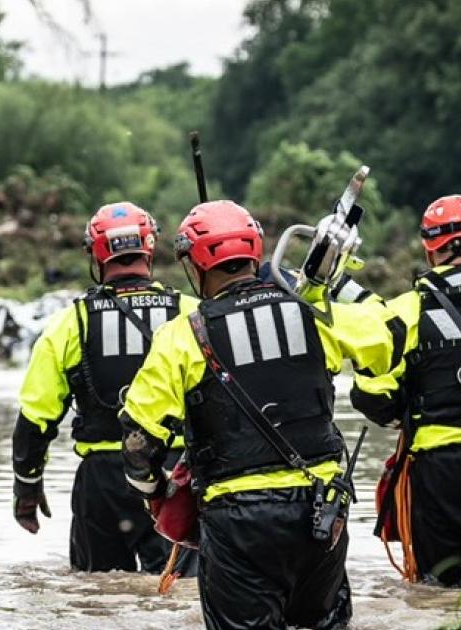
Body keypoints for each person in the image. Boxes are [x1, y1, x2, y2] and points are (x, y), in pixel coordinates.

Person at [120, 200, 404, 629]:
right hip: (321, 514)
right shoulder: (313, 313)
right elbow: (392, 338)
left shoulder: (183, 334)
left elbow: (138, 443)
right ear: (256, 253)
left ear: (194, 265)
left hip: (236, 521)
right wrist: (331, 284)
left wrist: (157, 492)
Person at [12, 202, 199, 573]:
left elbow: (36, 418)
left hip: (102, 483)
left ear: (96, 256)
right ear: (149, 249)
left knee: (94, 593)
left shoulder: (70, 322)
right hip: (175, 476)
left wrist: (27, 487)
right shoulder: (192, 314)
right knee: (180, 589)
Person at [350, 194, 461, 586]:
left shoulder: (407, 308)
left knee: (437, 588)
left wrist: (400, 413)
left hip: (438, 471)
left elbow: (373, 396)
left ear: (429, 250)